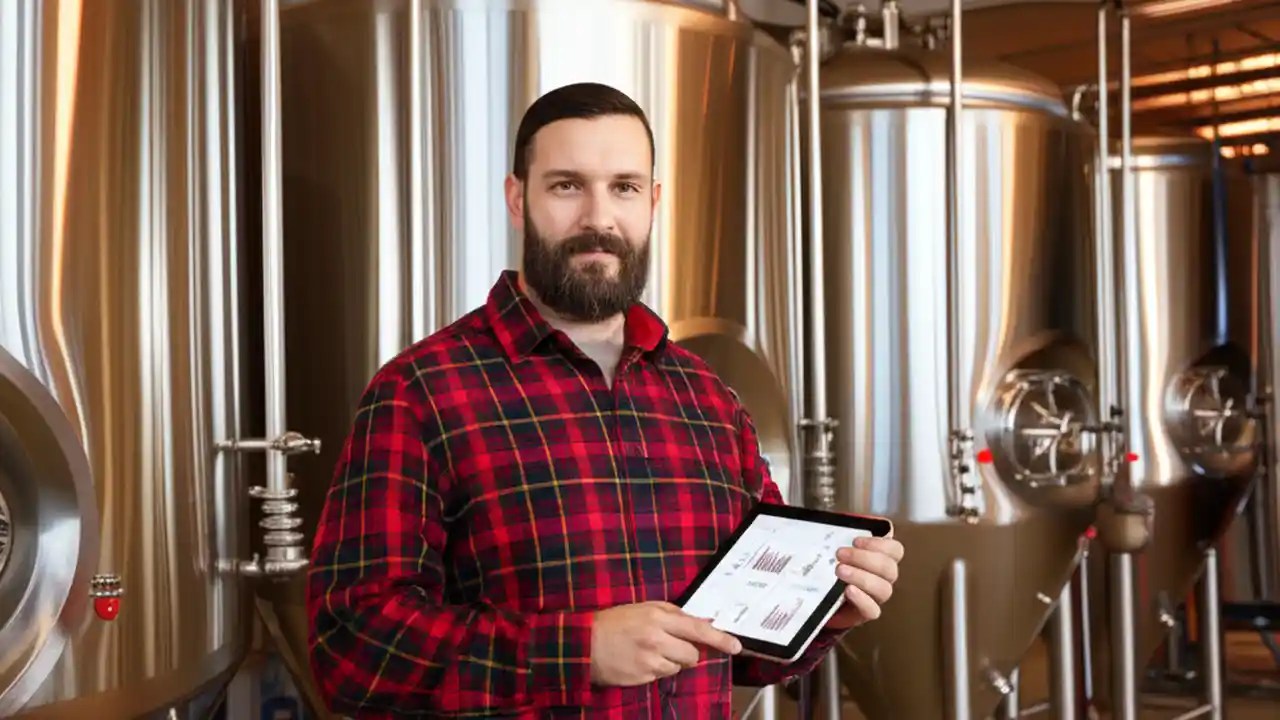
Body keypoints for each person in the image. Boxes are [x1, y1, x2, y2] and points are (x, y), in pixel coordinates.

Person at [306, 82, 904, 719]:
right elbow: (350, 649)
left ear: (653, 202)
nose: (599, 218)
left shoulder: (706, 400)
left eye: (624, 187)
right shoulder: (422, 391)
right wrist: (578, 651)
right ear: (518, 199)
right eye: (567, 185)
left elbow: (743, 650)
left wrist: (822, 608)